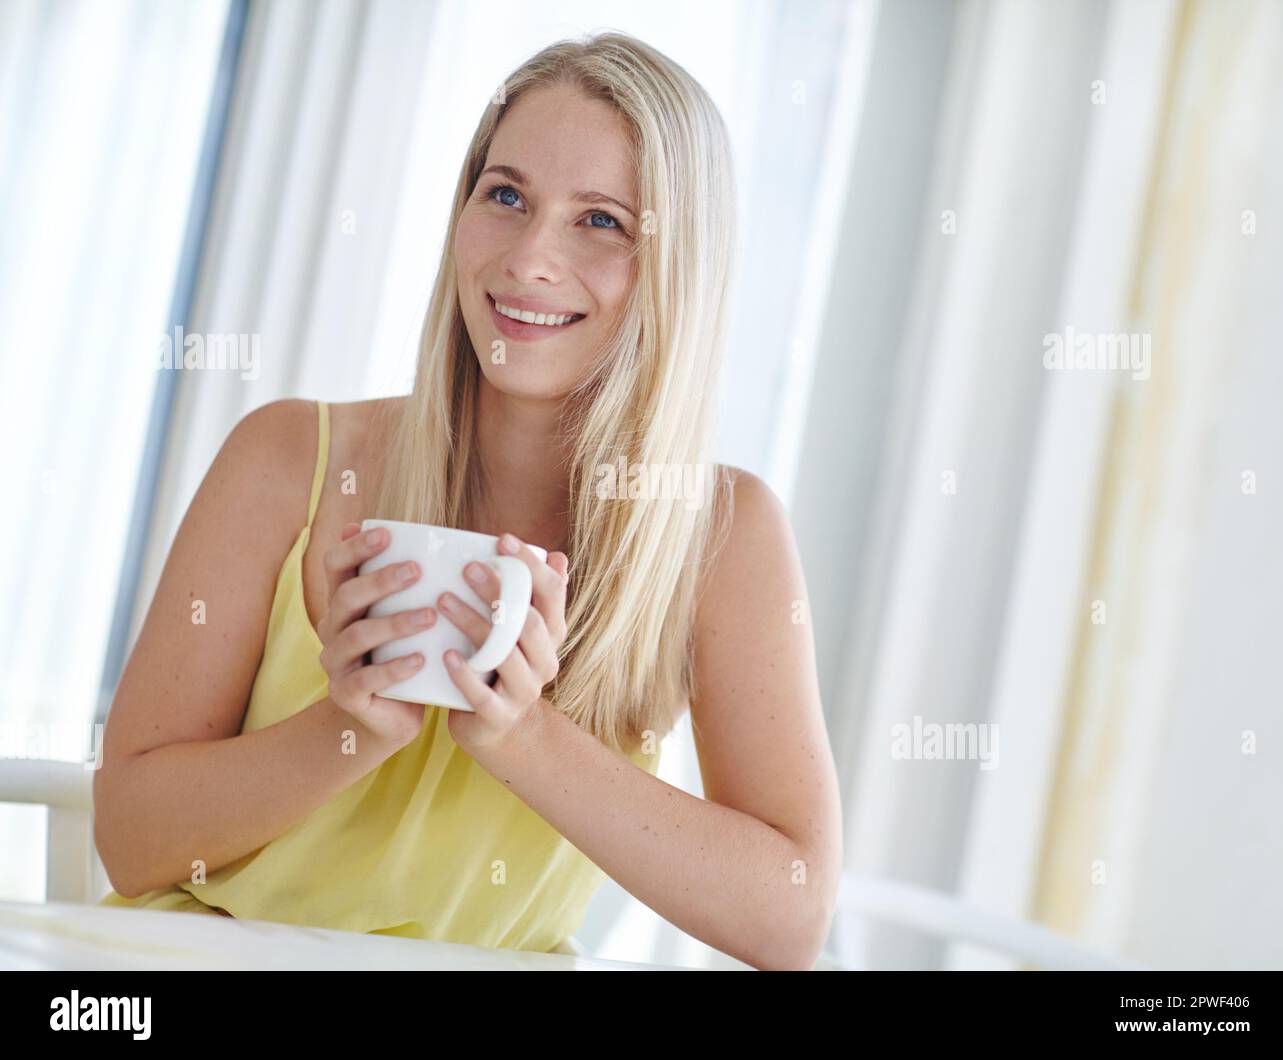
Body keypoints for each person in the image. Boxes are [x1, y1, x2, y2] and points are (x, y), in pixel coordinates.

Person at [94, 30, 841, 971]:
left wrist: (525, 739)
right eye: (506, 196)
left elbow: (791, 920)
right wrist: (349, 728)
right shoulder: (289, 458)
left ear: (677, 266)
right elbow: (128, 835)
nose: (529, 259)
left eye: (601, 220)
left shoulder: (722, 538)